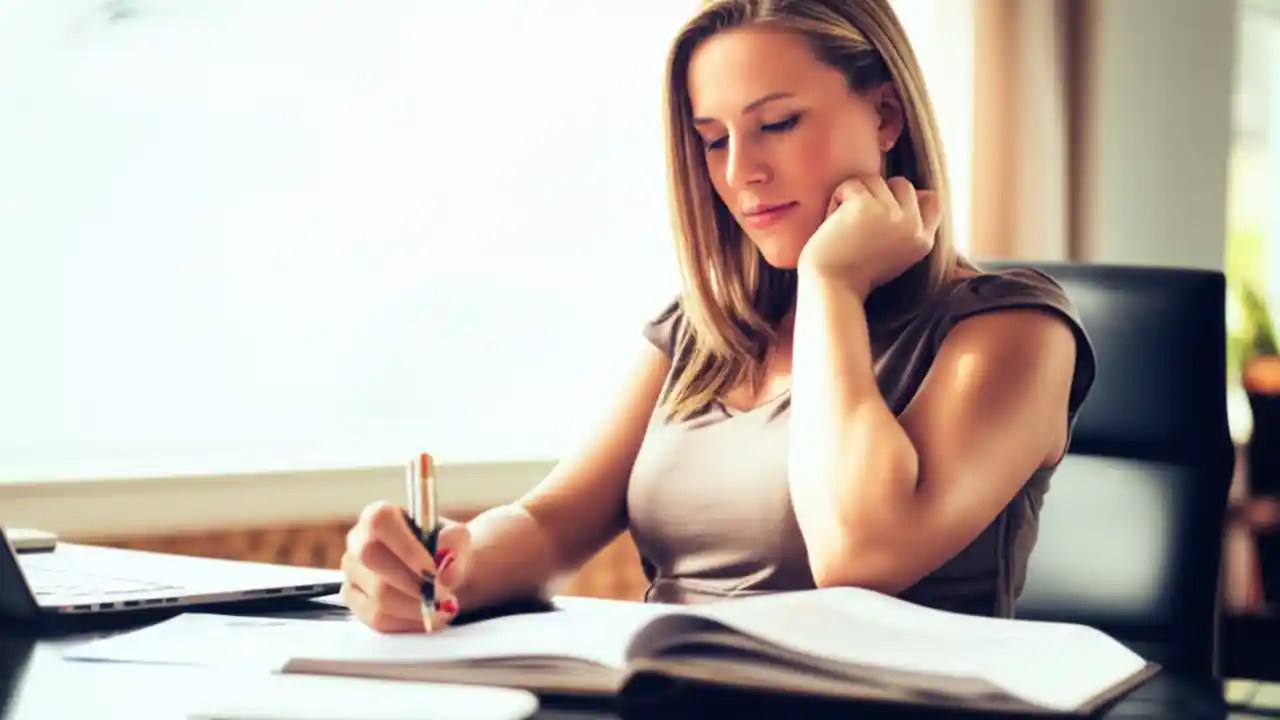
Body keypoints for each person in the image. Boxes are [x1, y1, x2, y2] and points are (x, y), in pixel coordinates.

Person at [339, 0, 1097, 633]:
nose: (741, 174)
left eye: (778, 124)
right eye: (713, 140)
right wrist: (449, 564)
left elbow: (857, 555)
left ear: (887, 114)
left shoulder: (1012, 332)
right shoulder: (704, 327)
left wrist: (830, 285)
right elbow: (551, 523)